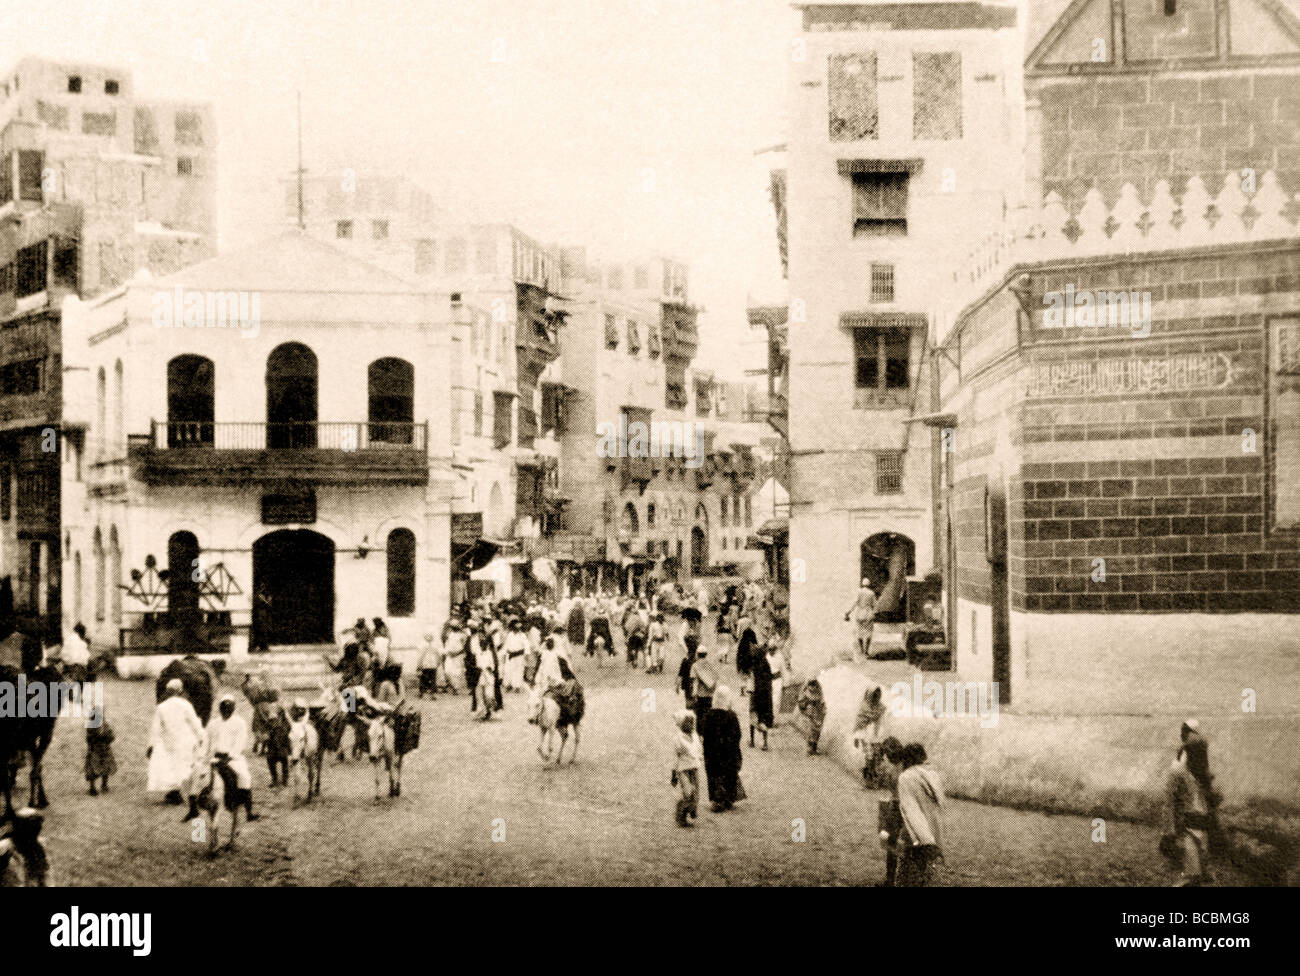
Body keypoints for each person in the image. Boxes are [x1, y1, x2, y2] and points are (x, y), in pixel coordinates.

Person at [1162, 728, 1218, 886]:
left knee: (1203, 877)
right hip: (1186, 829)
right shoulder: (1178, 772)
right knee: (1191, 875)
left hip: (1202, 829)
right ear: (1190, 753)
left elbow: (1208, 805)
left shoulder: (1201, 774)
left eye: (1203, 753)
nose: (1202, 757)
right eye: (1198, 753)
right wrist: (1170, 832)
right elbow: (1169, 803)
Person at [148, 678, 207, 816]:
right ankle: (183, 792)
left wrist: (151, 745)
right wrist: (201, 736)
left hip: (169, 740)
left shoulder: (161, 707)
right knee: (184, 765)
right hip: (185, 740)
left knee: (172, 765)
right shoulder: (186, 705)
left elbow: (155, 728)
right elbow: (194, 722)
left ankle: (175, 791)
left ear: (168, 692)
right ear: (180, 691)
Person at [896, 744, 944, 886]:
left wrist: (922, 839)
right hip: (933, 833)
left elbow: (910, 809)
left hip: (915, 835)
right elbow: (939, 806)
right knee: (925, 874)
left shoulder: (906, 777)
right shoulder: (933, 775)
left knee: (905, 875)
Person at [207, 692, 258, 822]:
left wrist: (231, 756)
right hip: (214, 756)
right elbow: (208, 741)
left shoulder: (239, 723)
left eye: (229, 709)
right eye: (223, 709)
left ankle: (248, 811)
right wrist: (208, 755)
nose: (226, 712)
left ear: (233, 709)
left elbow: (241, 741)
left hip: (232, 757)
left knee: (244, 777)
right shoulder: (213, 723)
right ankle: (195, 805)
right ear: (220, 709)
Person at [700, 686, 745, 812]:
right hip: (729, 751)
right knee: (729, 773)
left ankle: (717, 799)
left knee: (714, 773)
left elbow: (704, 732)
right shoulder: (731, 716)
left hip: (712, 752)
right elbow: (738, 734)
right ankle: (728, 798)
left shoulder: (709, 715)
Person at [875, 737, 906, 886]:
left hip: (899, 809)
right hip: (900, 808)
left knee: (892, 843)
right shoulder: (901, 767)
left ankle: (892, 880)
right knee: (895, 844)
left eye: (886, 754)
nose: (885, 758)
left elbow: (896, 793)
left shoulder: (898, 771)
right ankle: (894, 879)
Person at [0, 808, 49, 887]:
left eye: (37, 827)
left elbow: (43, 877)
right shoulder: (4, 848)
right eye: (30, 827)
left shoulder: (38, 848)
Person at [854, 686, 890, 787]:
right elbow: (859, 724)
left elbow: (883, 722)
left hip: (877, 736)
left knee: (878, 756)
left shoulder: (881, 708)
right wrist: (857, 738)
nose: (876, 696)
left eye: (878, 694)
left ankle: (875, 779)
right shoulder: (864, 708)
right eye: (874, 694)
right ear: (869, 695)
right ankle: (868, 779)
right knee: (870, 757)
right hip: (866, 736)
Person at [671, 710, 702, 828]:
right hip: (683, 769)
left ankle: (691, 809)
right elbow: (675, 757)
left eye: (692, 722)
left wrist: (700, 758)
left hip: (694, 768)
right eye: (688, 722)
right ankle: (681, 812)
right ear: (682, 724)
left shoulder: (695, 736)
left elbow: (698, 751)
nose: (691, 725)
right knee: (688, 792)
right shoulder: (678, 739)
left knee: (696, 794)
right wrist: (673, 773)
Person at [84, 705, 117, 796]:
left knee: (101, 768)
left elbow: (111, 736)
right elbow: (89, 739)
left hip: (101, 750)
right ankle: (96, 787)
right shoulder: (95, 725)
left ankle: (100, 786)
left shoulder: (101, 725)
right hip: (99, 750)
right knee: (97, 769)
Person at [748, 640, 774, 750]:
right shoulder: (766, 665)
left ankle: (752, 741)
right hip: (766, 697)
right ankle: (765, 743)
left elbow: (750, 685)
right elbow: (770, 679)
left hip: (755, 696)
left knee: (753, 717)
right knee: (763, 718)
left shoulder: (754, 668)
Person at [844, 578, 877, 659]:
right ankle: (866, 651)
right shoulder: (871, 593)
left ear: (862, 584)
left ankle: (862, 649)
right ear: (869, 584)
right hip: (869, 614)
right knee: (869, 633)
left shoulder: (859, 592)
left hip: (860, 614)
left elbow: (855, 603)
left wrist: (848, 612)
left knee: (859, 632)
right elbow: (875, 605)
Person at [689, 642, 718, 731]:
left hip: (700, 694)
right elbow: (715, 678)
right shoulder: (710, 664)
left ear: (697, 654)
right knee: (708, 713)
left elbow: (695, 681)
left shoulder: (695, 665)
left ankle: (700, 734)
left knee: (699, 715)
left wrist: (694, 694)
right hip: (710, 694)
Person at [796, 678, 826, 755]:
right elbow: (800, 701)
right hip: (809, 710)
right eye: (811, 686)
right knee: (810, 729)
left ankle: (814, 747)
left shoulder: (819, 688)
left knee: (817, 729)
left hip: (817, 709)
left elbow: (822, 700)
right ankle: (809, 748)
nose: (812, 689)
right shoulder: (805, 689)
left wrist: (823, 709)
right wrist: (804, 709)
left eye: (814, 686)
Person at [502, 618, 529, 692]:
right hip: (510, 655)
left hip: (519, 655)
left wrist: (526, 655)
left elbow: (526, 646)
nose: (517, 629)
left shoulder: (522, 635)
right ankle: (508, 685)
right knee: (508, 670)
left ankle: (517, 686)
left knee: (518, 671)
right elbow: (506, 645)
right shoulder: (510, 635)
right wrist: (504, 654)